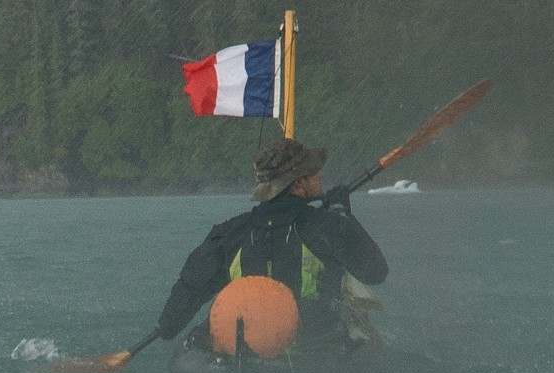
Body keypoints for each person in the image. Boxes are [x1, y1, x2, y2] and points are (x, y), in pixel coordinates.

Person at [154, 136, 388, 348]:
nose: (320, 174)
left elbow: (189, 292)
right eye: (313, 171)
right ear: (297, 184)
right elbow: (375, 272)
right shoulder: (327, 225)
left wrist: (166, 327)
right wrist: (341, 213)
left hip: (245, 348)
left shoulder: (230, 233)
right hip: (311, 345)